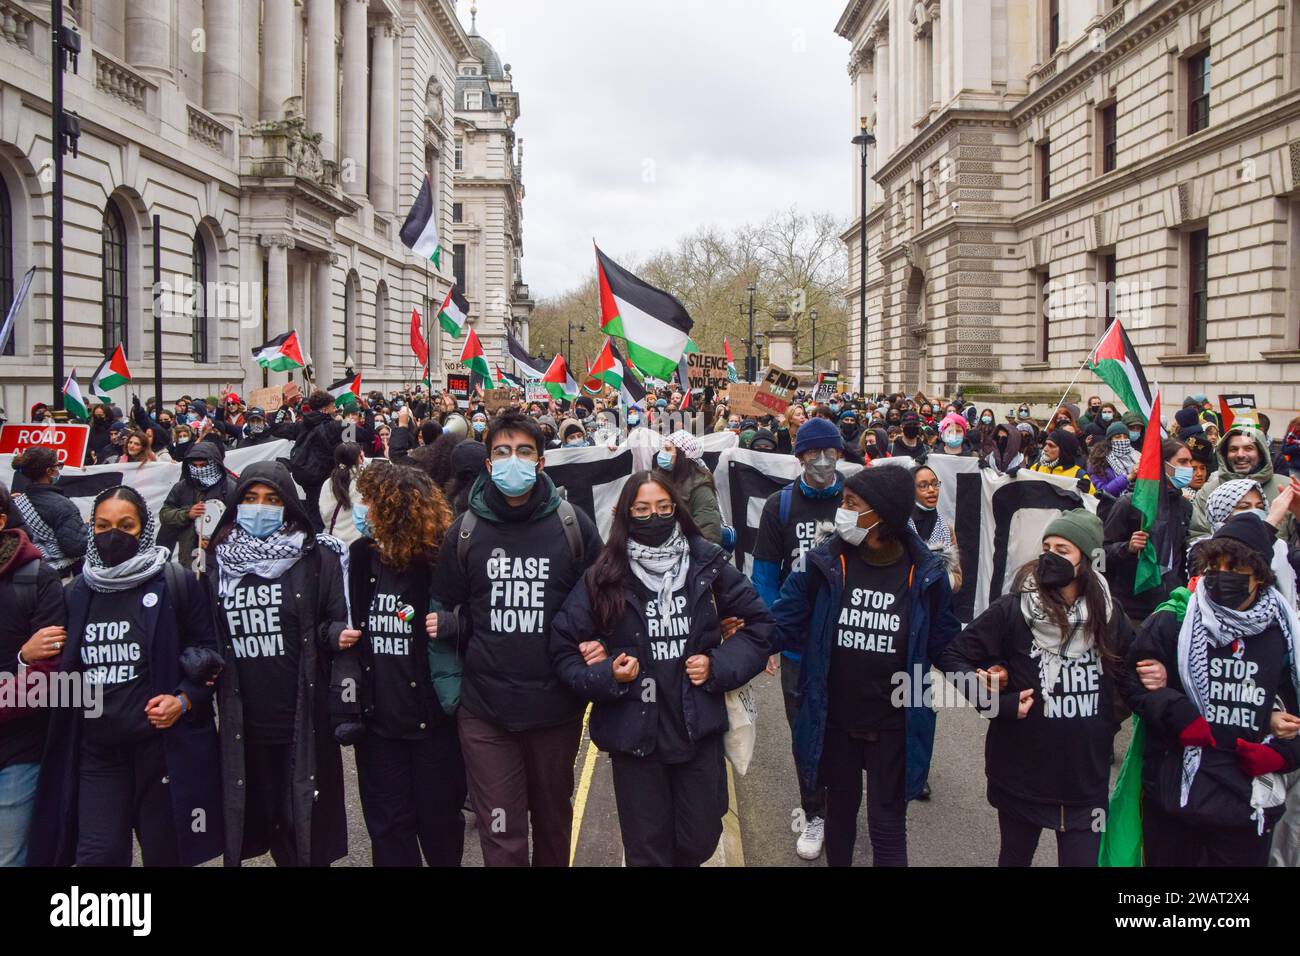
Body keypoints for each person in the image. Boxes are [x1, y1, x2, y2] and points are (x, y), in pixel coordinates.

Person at [550, 472, 773, 866]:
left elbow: (760, 627)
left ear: (676, 509)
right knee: (647, 850)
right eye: (642, 510)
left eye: (663, 508)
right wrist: (607, 674)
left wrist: (719, 664)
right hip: (635, 738)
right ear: (625, 515)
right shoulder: (604, 575)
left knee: (701, 837)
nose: (654, 517)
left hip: (696, 728)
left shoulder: (707, 562)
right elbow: (563, 649)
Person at [429, 411, 602, 867]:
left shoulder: (573, 526)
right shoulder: (464, 531)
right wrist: (454, 696)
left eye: (524, 452)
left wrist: (596, 651)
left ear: (541, 462)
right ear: (488, 465)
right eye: (502, 452)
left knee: (552, 827)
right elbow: (440, 610)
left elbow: (604, 602)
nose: (513, 461)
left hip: (556, 712)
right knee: (501, 835)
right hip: (486, 714)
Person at [770, 466, 961, 866]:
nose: (841, 511)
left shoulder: (925, 573)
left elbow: (946, 645)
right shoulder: (822, 563)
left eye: (851, 504)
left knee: (887, 826)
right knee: (840, 817)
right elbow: (780, 623)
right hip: (834, 721)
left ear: (881, 514)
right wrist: (732, 643)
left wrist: (986, 684)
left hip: (894, 726)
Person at [27, 486, 223, 867]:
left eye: (125, 525)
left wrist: (182, 700)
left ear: (144, 529)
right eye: (102, 525)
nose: (112, 535)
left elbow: (209, 655)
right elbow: (55, 669)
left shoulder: (174, 583)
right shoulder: (78, 592)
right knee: (97, 856)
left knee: (165, 855)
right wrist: (26, 654)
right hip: (97, 753)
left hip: (161, 752)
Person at [939, 510, 1134, 866]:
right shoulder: (1014, 608)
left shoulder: (1110, 613)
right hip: (1021, 774)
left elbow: (1130, 673)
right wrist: (995, 702)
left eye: (1063, 548)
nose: (1050, 556)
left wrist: (1106, 719)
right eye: (1046, 546)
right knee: (1014, 858)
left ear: (1087, 560)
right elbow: (953, 655)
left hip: (1083, 782)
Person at [1124, 512, 1300, 866]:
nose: (1223, 578)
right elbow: (1130, 681)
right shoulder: (1174, 620)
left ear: (1261, 578)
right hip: (1176, 794)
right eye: (1216, 566)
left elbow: (1294, 711)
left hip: (1246, 802)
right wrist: (1175, 710)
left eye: (1236, 571)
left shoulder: (1284, 634)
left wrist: (1284, 754)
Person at [206, 462, 353, 866]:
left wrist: (336, 634)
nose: (260, 507)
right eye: (251, 498)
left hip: (302, 717)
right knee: (261, 819)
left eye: (272, 499)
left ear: (288, 505)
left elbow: (333, 622)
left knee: (302, 830)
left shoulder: (317, 555)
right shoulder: (219, 559)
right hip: (244, 721)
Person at [334, 463, 467, 866]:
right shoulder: (360, 556)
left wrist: (453, 624)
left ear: (397, 511)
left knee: (440, 823)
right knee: (388, 828)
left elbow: (475, 616)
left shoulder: (439, 560)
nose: (365, 514)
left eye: (372, 505)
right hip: (378, 724)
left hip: (433, 724)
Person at [752, 417, 845, 859]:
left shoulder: (857, 500)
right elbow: (766, 578)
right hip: (796, 646)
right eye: (814, 453)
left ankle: (842, 804)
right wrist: (768, 638)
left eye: (831, 452)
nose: (823, 461)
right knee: (805, 732)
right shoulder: (780, 506)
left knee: (845, 729)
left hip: (848, 642)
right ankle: (814, 812)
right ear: (800, 457)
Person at [0, 483, 67, 866]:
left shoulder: (36, 578)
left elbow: (48, 678)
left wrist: (24, 665)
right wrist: (20, 659)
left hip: (16, 751)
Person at [1190, 424, 1299, 548]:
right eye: (1233, 449)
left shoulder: (1286, 488)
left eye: (1248, 448)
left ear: (1261, 452)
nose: (1240, 454)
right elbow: (1197, 535)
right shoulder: (1209, 490)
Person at [9, 448, 86, 576]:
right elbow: (75, 547)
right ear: (49, 471)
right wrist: (89, 529)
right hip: (61, 573)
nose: (59, 469)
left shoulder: (17, 502)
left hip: (28, 572)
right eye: (58, 465)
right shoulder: (63, 506)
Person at [158, 439, 231, 566]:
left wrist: (217, 538)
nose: (199, 470)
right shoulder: (181, 487)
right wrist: (187, 514)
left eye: (203, 466)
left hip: (221, 555)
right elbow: (164, 514)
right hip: (190, 553)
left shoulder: (230, 488)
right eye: (195, 466)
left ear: (215, 463)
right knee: (194, 582)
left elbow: (239, 522)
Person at [654, 431, 723, 545]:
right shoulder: (658, 478)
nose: (661, 453)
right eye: (662, 448)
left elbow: (709, 532)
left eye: (667, 449)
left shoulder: (700, 487)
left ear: (682, 455)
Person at [910, 465, 961, 593]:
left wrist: (939, 580)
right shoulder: (901, 525)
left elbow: (957, 577)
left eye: (935, 484)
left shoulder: (946, 528)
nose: (932, 490)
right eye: (923, 485)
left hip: (934, 604)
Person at [318, 442, 367, 544]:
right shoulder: (363, 484)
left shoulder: (328, 483)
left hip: (334, 542)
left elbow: (324, 512)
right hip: (357, 544)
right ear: (360, 458)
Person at [1029, 429, 1094, 495]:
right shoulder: (1036, 468)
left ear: (1064, 451)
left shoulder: (1079, 475)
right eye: (1046, 444)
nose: (1045, 449)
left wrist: (1086, 493)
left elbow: (1093, 502)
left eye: (1051, 446)